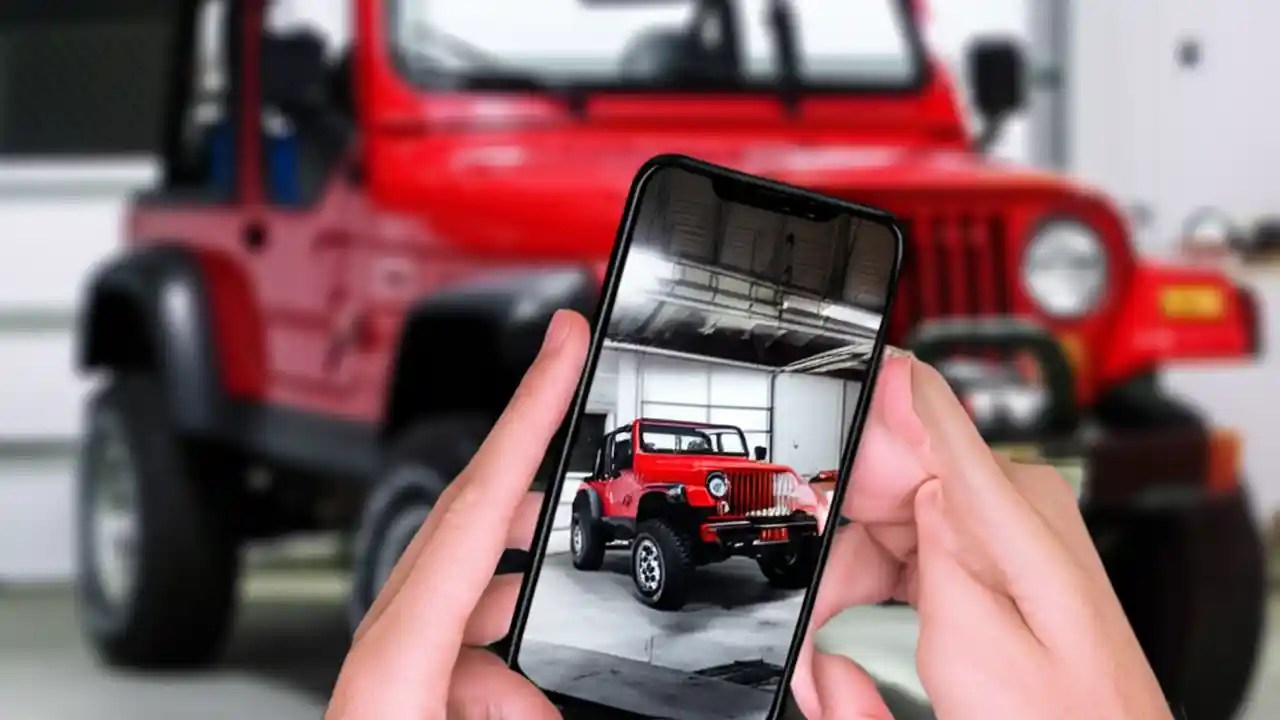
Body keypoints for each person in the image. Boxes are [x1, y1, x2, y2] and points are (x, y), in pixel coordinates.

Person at [325, 310, 1173, 720]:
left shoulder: (742, 468)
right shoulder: (637, 470)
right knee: (654, 532)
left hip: (734, 505)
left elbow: (744, 492)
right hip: (655, 505)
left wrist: (769, 515)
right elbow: (669, 506)